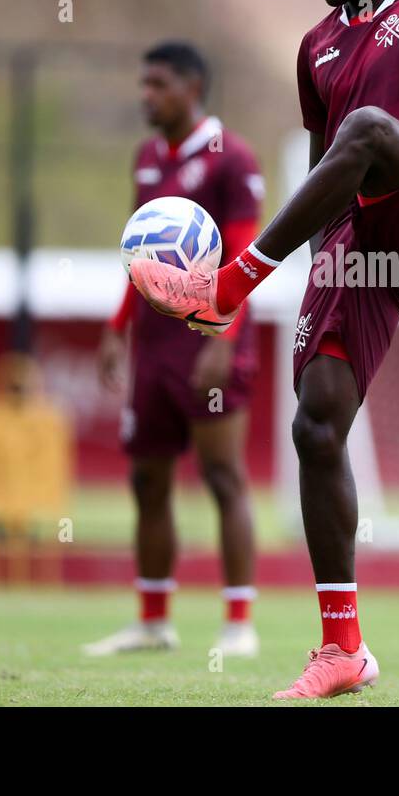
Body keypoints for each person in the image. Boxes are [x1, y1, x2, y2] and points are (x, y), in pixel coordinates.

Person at [130, 0, 399, 698]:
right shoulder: (316, 48)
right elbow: (330, 173)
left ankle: (232, 283)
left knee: (368, 130)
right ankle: (342, 650)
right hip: (357, 245)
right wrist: (325, 279)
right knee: (316, 425)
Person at [84, 42, 265, 659]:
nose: (146, 95)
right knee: (147, 478)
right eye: (143, 83)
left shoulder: (231, 159)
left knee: (223, 476)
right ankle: (154, 621)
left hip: (212, 345)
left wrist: (226, 338)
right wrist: (116, 327)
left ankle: (239, 624)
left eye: (157, 84)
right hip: (154, 348)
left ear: (192, 87)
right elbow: (143, 261)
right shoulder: (145, 160)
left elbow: (245, 258)